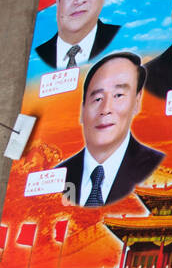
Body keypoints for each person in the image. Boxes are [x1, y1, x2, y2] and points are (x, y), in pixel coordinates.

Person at [56, 52, 164, 206]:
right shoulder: (60, 175)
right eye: (97, 99)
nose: (105, 109)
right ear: (82, 110)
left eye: (118, 95)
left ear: (137, 102)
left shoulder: (157, 167)